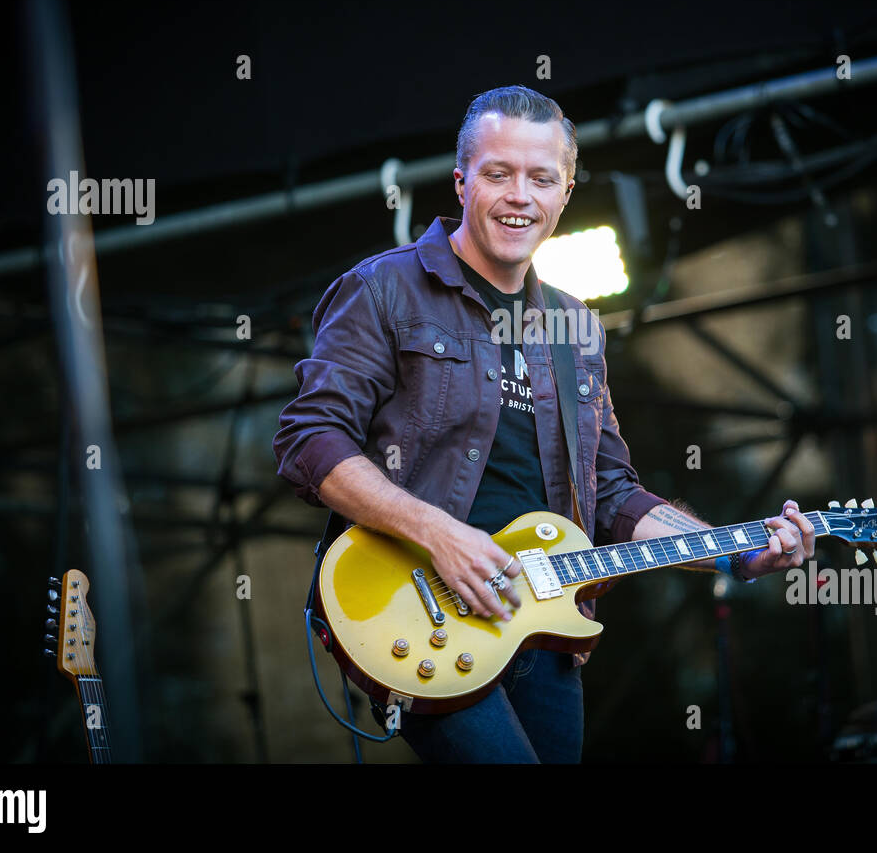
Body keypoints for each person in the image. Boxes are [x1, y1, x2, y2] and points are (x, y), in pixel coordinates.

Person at [273, 84, 814, 762]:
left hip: (546, 621)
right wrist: (441, 535)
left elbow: (613, 493)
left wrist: (737, 551)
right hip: (418, 607)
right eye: (499, 174)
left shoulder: (575, 326)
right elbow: (309, 439)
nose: (519, 196)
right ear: (462, 181)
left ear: (565, 192)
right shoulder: (384, 289)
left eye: (542, 178)